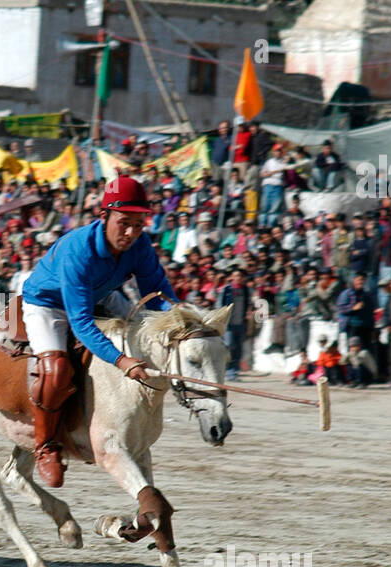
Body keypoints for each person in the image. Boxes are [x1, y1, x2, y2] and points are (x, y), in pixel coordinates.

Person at [20, 175, 178, 488]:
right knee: (56, 368)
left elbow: (157, 296)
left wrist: (179, 321)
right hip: (48, 304)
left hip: (98, 295)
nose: (132, 232)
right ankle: (46, 446)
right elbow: (80, 323)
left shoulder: (141, 244)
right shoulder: (79, 250)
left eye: (138, 223)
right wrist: (121, 361)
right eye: (124, 222)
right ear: (104, 216)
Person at [217, 267, 250, 379]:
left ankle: (234, 371)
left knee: (238, 348)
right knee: (229, 346)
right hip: (228, 323)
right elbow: (220, 305)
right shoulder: (226, 290)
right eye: (236, 276)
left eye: (240, 276)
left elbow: (247, 304)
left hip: (240, 322)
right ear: (231, 277)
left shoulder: (245, 290)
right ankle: (227, 369)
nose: (238, 278)